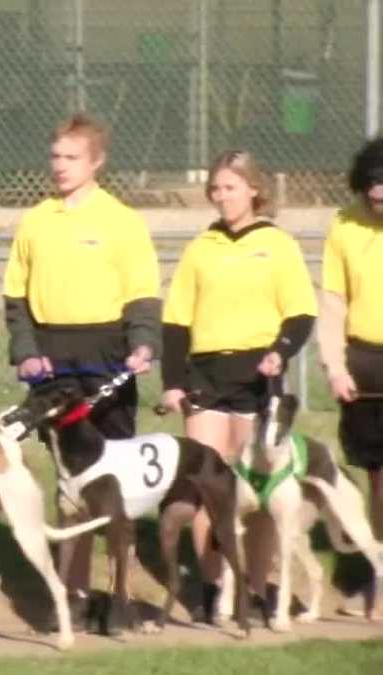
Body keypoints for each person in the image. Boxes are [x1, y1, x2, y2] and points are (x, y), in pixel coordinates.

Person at [2, 113, 161, 630]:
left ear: (97, 162)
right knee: (68, 484)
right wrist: (26, 350)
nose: (61, 167)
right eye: (55, 157)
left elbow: (141, 296)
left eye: (72, 158)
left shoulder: (123, 221)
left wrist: (142, 344)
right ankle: (69, 596)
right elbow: (16, 299)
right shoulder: (36, 221)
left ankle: (119, 598)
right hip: (54, 364)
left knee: (112, 484)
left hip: (108, 362)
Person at [160, 149, 316, 620]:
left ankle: (253, 587)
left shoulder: (278, 244)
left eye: (231, 187)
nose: (222, 197)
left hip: (257, 375)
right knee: (210, 486)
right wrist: (172, 382)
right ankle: (211, 587)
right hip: (206, 374)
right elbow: (175, 321)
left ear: (253, 190)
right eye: (216, 189)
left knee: (262, 493)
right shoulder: (200, 247)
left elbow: (301, 313)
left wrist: (280, 351)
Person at [318, 137, 383, 618]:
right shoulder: (344, 224)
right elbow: (333, 302)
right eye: (373, 197)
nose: (379, 204)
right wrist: (335, 366)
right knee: (378, 479)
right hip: (364, 363)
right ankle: (377, 573)